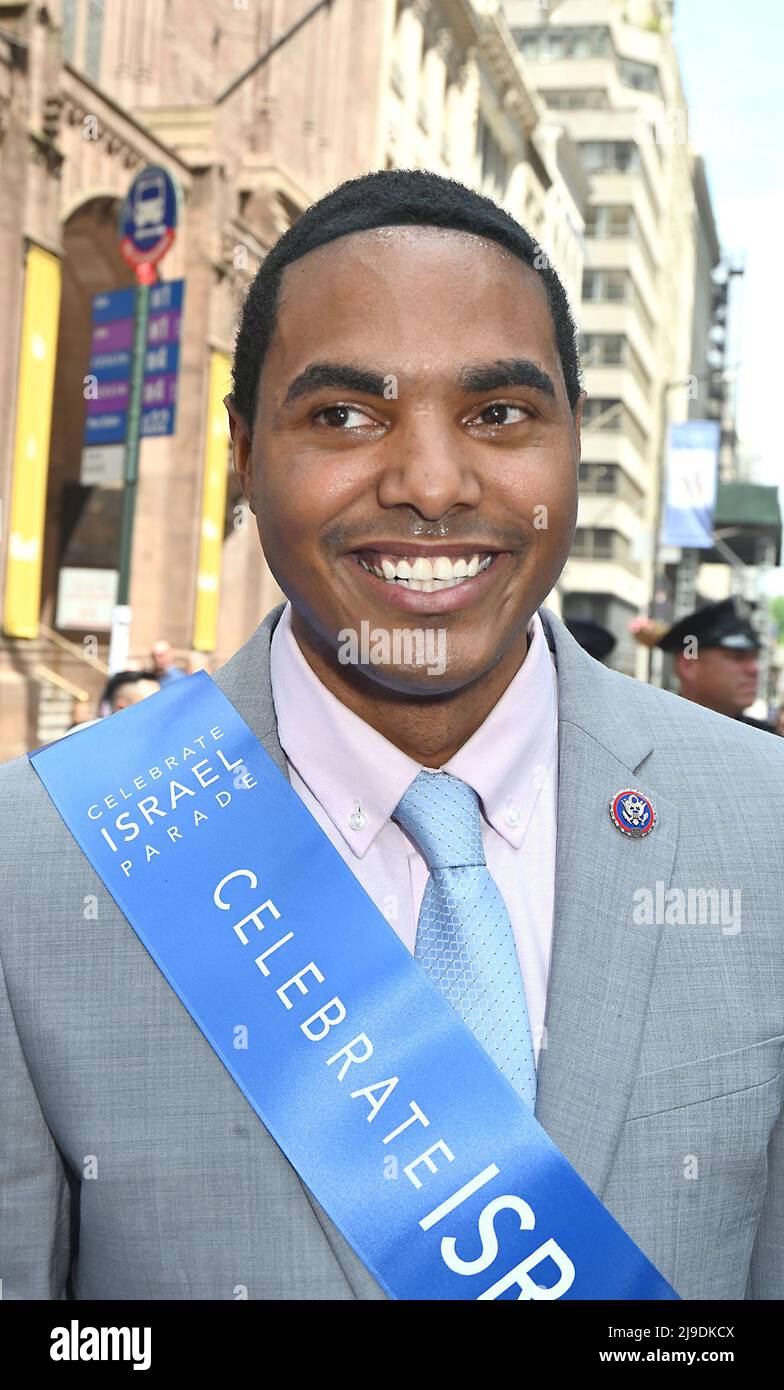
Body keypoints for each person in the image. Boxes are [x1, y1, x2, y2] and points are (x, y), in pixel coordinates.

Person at [0, 169, 781, 1302]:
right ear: (241, 451)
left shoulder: (761, 828)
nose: (428, 482)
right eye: (345, 416)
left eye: (498, 414)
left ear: (573, 439)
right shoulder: (40, 857)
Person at [656, 597, 778, 733]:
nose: (754, 669)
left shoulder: (772, 741)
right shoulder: (650, 732)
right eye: (738, 657)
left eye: (755, 657)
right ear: (688, 665)